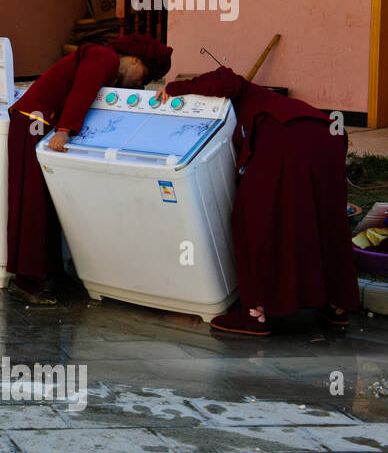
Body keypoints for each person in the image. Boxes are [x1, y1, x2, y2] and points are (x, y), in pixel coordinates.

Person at [152, 68, 358, 335]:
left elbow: (226, 77)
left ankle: (254, 313)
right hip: (327, 136)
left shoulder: (241, 91)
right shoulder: (264, 100)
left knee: (253, 221)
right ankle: (336, 306)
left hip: (286, 138)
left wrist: (173, 88)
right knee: (324, 220)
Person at [6, 33, 173, 304]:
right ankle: (26, 281)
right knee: (32, 203)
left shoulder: (107, 70)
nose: (140, 82)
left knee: (49, 203)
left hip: (41, 125)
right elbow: (81, 91)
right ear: (133, 60)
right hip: (32, 123)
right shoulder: (103, 57)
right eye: (143, 75)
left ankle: (49, 272)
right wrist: (64, 131)